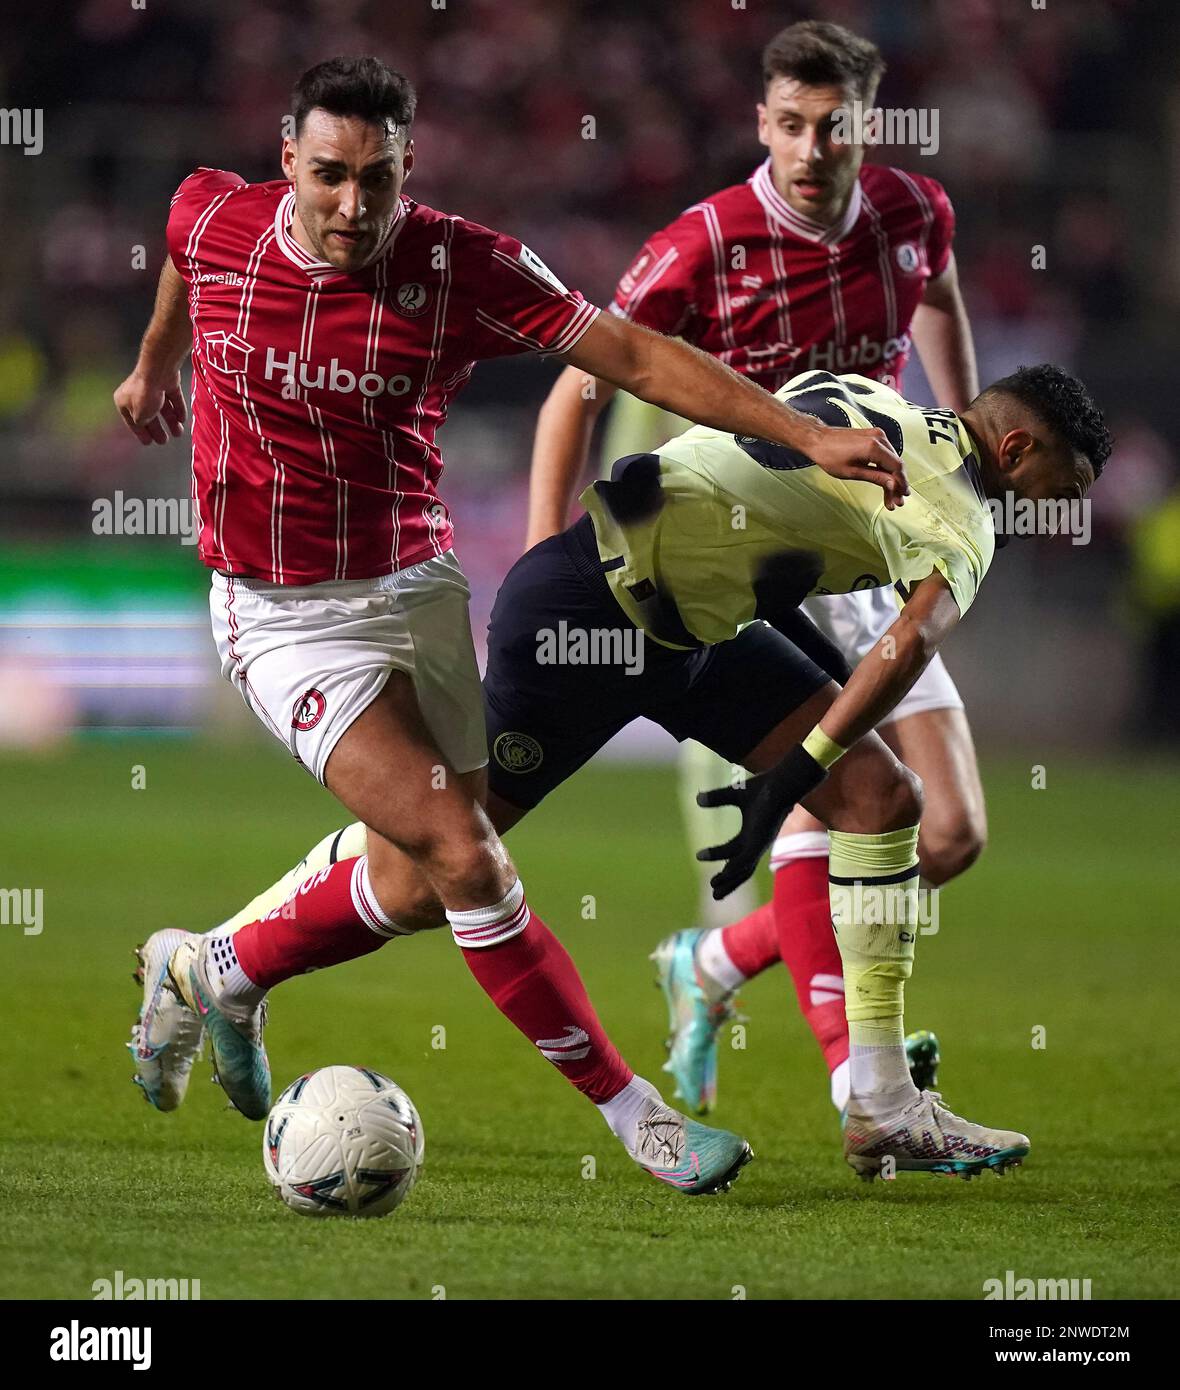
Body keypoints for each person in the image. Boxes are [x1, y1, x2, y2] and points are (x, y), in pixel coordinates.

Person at [117, 56, 906, 1198]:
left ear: (408, 169)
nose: (353, 207)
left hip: (419, 592)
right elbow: (185, 258)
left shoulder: (459, 264)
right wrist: (153, 371)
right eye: (329, 176)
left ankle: (210, 968)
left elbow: (630, 353)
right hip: (282, 617)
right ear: (286, 162)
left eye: (376, 180)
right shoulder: (216, 214)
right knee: (464, 854)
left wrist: (802, 430)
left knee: (420, 870)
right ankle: (642, 1121)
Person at [139, 364, 1110, 1180]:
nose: (1057, 518)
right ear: (1016, 452)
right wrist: (799, 758)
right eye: (1061, 494)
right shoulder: (969, 519)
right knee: (425, 876)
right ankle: (219, 964)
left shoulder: (865, 390)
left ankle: (882, 1103)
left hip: (688, 631)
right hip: (588, 619)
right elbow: (900, 649)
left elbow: (714, 456)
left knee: (879, 797)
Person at [526, 19, 985, 1117]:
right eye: (791, 125)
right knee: (837, 808)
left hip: (874, 548)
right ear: (761, 123)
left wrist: (959, 445)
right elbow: (576, 388)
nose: (812, 148)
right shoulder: (703, 243)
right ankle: (863, 1076)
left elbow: (940, 299)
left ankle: (716, 963)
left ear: (866, 126)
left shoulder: (916, 212)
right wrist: (549, 556)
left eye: (834, 127)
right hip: (757, 573)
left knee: (951, 833)